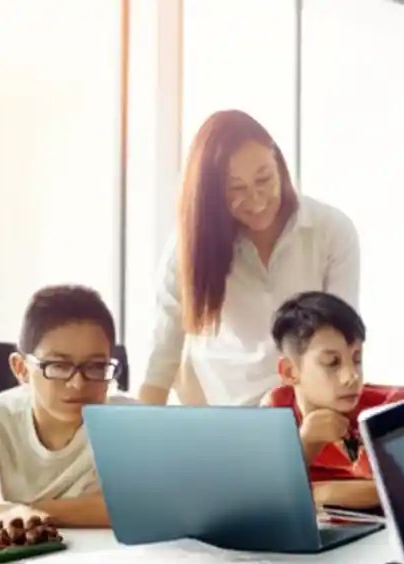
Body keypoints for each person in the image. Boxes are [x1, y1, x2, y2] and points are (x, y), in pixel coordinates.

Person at [139, 109, 360, 408]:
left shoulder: (331, 230)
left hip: (307, 412)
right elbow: (162, 354)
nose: (256, 200)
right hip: (224, 416)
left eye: (264, 179)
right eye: (236, 189)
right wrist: (139, 434)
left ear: (279, 166)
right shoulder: (189, 244)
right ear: (211, 195)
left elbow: (342, 342)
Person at [263, 291, 404, 510]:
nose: (351, 375)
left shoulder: (389, 404)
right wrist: (305, 444)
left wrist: (318, 492)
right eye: (332, 363)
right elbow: (265, 496)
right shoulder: (277, 409)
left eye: (357, 360)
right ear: (289, 372)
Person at [0, 285, 134, 539]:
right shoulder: (0, 417)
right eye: (58, 366)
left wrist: (30, 511)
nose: (78, 384)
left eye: (96, 366)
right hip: (31, 563)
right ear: (21, 368)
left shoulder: (132, 422)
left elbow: (146, 505)